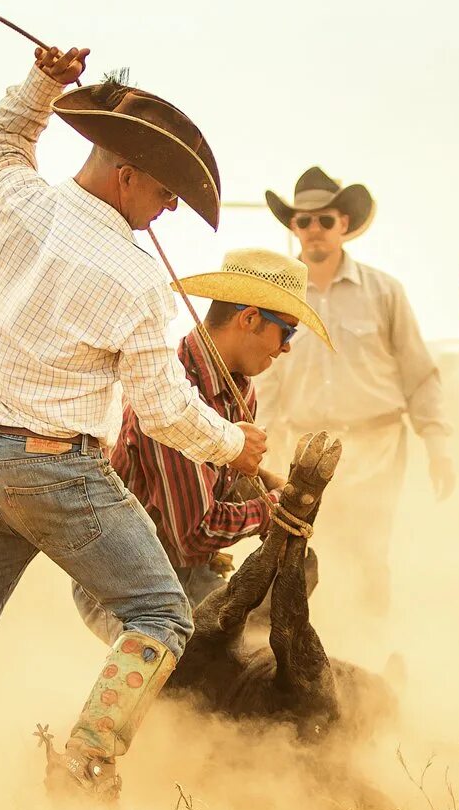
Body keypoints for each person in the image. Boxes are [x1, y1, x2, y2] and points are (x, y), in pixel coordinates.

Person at [0, 46, 268, 801]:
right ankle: (85, 768)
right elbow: (169, 410)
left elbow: (0, 143)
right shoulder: (138, 276)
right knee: (160, 614)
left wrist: (42, 81)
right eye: (167, 192)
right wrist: (236, 443)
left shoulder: (22, 201)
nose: (170, 209)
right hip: (57, 466)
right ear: (127, 175)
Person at [74, 248, 331, 642]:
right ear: (250, 319)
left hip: (183, 570)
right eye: (287, 331)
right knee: (179, 673)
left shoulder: (239, 389)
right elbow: (195, 533)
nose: (286, 348)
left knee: (253, 644)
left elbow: (219, 480)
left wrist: (266, 483)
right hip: (124, 583)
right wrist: (274, 511)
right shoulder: (174, 395)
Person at [255, 167, 453, 618]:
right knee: (302, 559)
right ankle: (313, 660)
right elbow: (266, 384)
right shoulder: (279, 300)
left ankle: (370, 652)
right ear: (294, 228)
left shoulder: (385, 292)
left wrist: (437, 443)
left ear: (343, 224)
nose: (314, 230)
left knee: (369, 558)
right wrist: (259, 458)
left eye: (324, 220)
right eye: (303, 221)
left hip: (378, 450)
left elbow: (419, 373)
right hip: (303, 456)